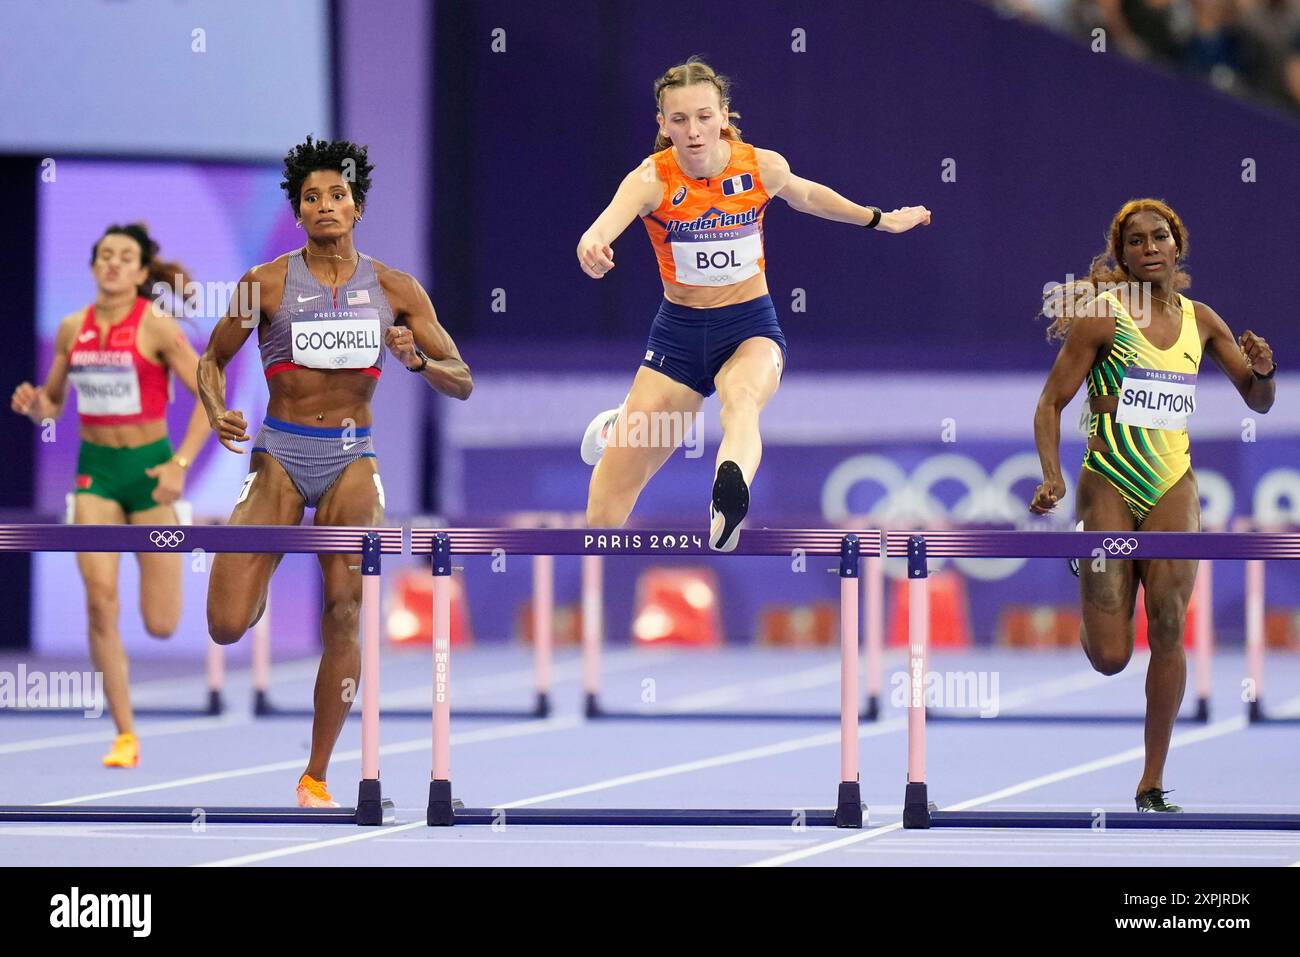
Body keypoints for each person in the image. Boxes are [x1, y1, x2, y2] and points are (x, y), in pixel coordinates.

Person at [197, 136, 473, 808]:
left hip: (352, 458)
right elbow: (211, 359)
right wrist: (215, 410)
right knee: (226, 624)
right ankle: (258, 577)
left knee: (345, 610)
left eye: (337, 195)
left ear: (358, 207)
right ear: (298, 211)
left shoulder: (396, 289)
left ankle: (316, 774)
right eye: (312, 197)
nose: (325, 205)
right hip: (278, 454)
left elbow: (461, 379)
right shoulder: (263, 284)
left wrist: (415, 361)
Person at [576, 57, 931, 550]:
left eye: (704, 117)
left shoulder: (762, 166)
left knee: (741, 401)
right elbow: (598, 230)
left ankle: (728, 498)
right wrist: (592, 248)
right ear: (663, 124)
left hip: (749, 328)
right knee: (603, 516)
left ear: (723, 115)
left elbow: (811, 196)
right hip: (678, 341)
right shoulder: (650, 180)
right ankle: (622, 424)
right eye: (680, 120)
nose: (694, 131)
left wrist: (880, 219)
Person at [1030, 198, 1276, 811]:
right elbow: (1051, 403)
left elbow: (1258, 400)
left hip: (1171, 483)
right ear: (1122, 255)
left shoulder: (1202, 320)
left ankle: (1151, 782)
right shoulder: (1102, 317)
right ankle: (1088, 570)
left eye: (1159, 237)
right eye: (1135, 241)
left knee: (1168, 623)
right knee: (1112, 657)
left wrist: (1264, 374)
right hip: (1108, 481)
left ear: (1176, 245)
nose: (1149, 248)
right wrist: (1053, 476)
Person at [10, 223, 211, 767]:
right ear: (94, 265)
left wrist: (179, 466)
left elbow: (209, 398)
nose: (114, 263)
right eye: (105, 255)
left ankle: (177, 517)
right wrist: (37, 406)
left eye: (125, 256)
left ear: (142, 271)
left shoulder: (158, 326)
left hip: (150, 477)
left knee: (162, 624)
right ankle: (125, 734)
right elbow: (53, 404)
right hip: (94, 477)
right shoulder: (71, 328)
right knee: (100, 602)